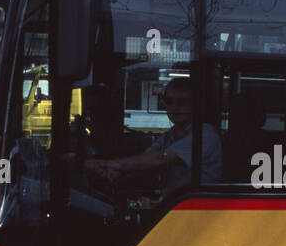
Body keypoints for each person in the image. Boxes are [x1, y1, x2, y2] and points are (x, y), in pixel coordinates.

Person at [81, 78, 221, 195]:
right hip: (176, 206)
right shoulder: (170, 136)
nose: (174, 108)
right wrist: (117, 175)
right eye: (169, 102)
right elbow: (147, 163)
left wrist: (108, 164)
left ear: (195, 105)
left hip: (198, 209)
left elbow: (160, 159)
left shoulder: (205, 135)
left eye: (181, 102)